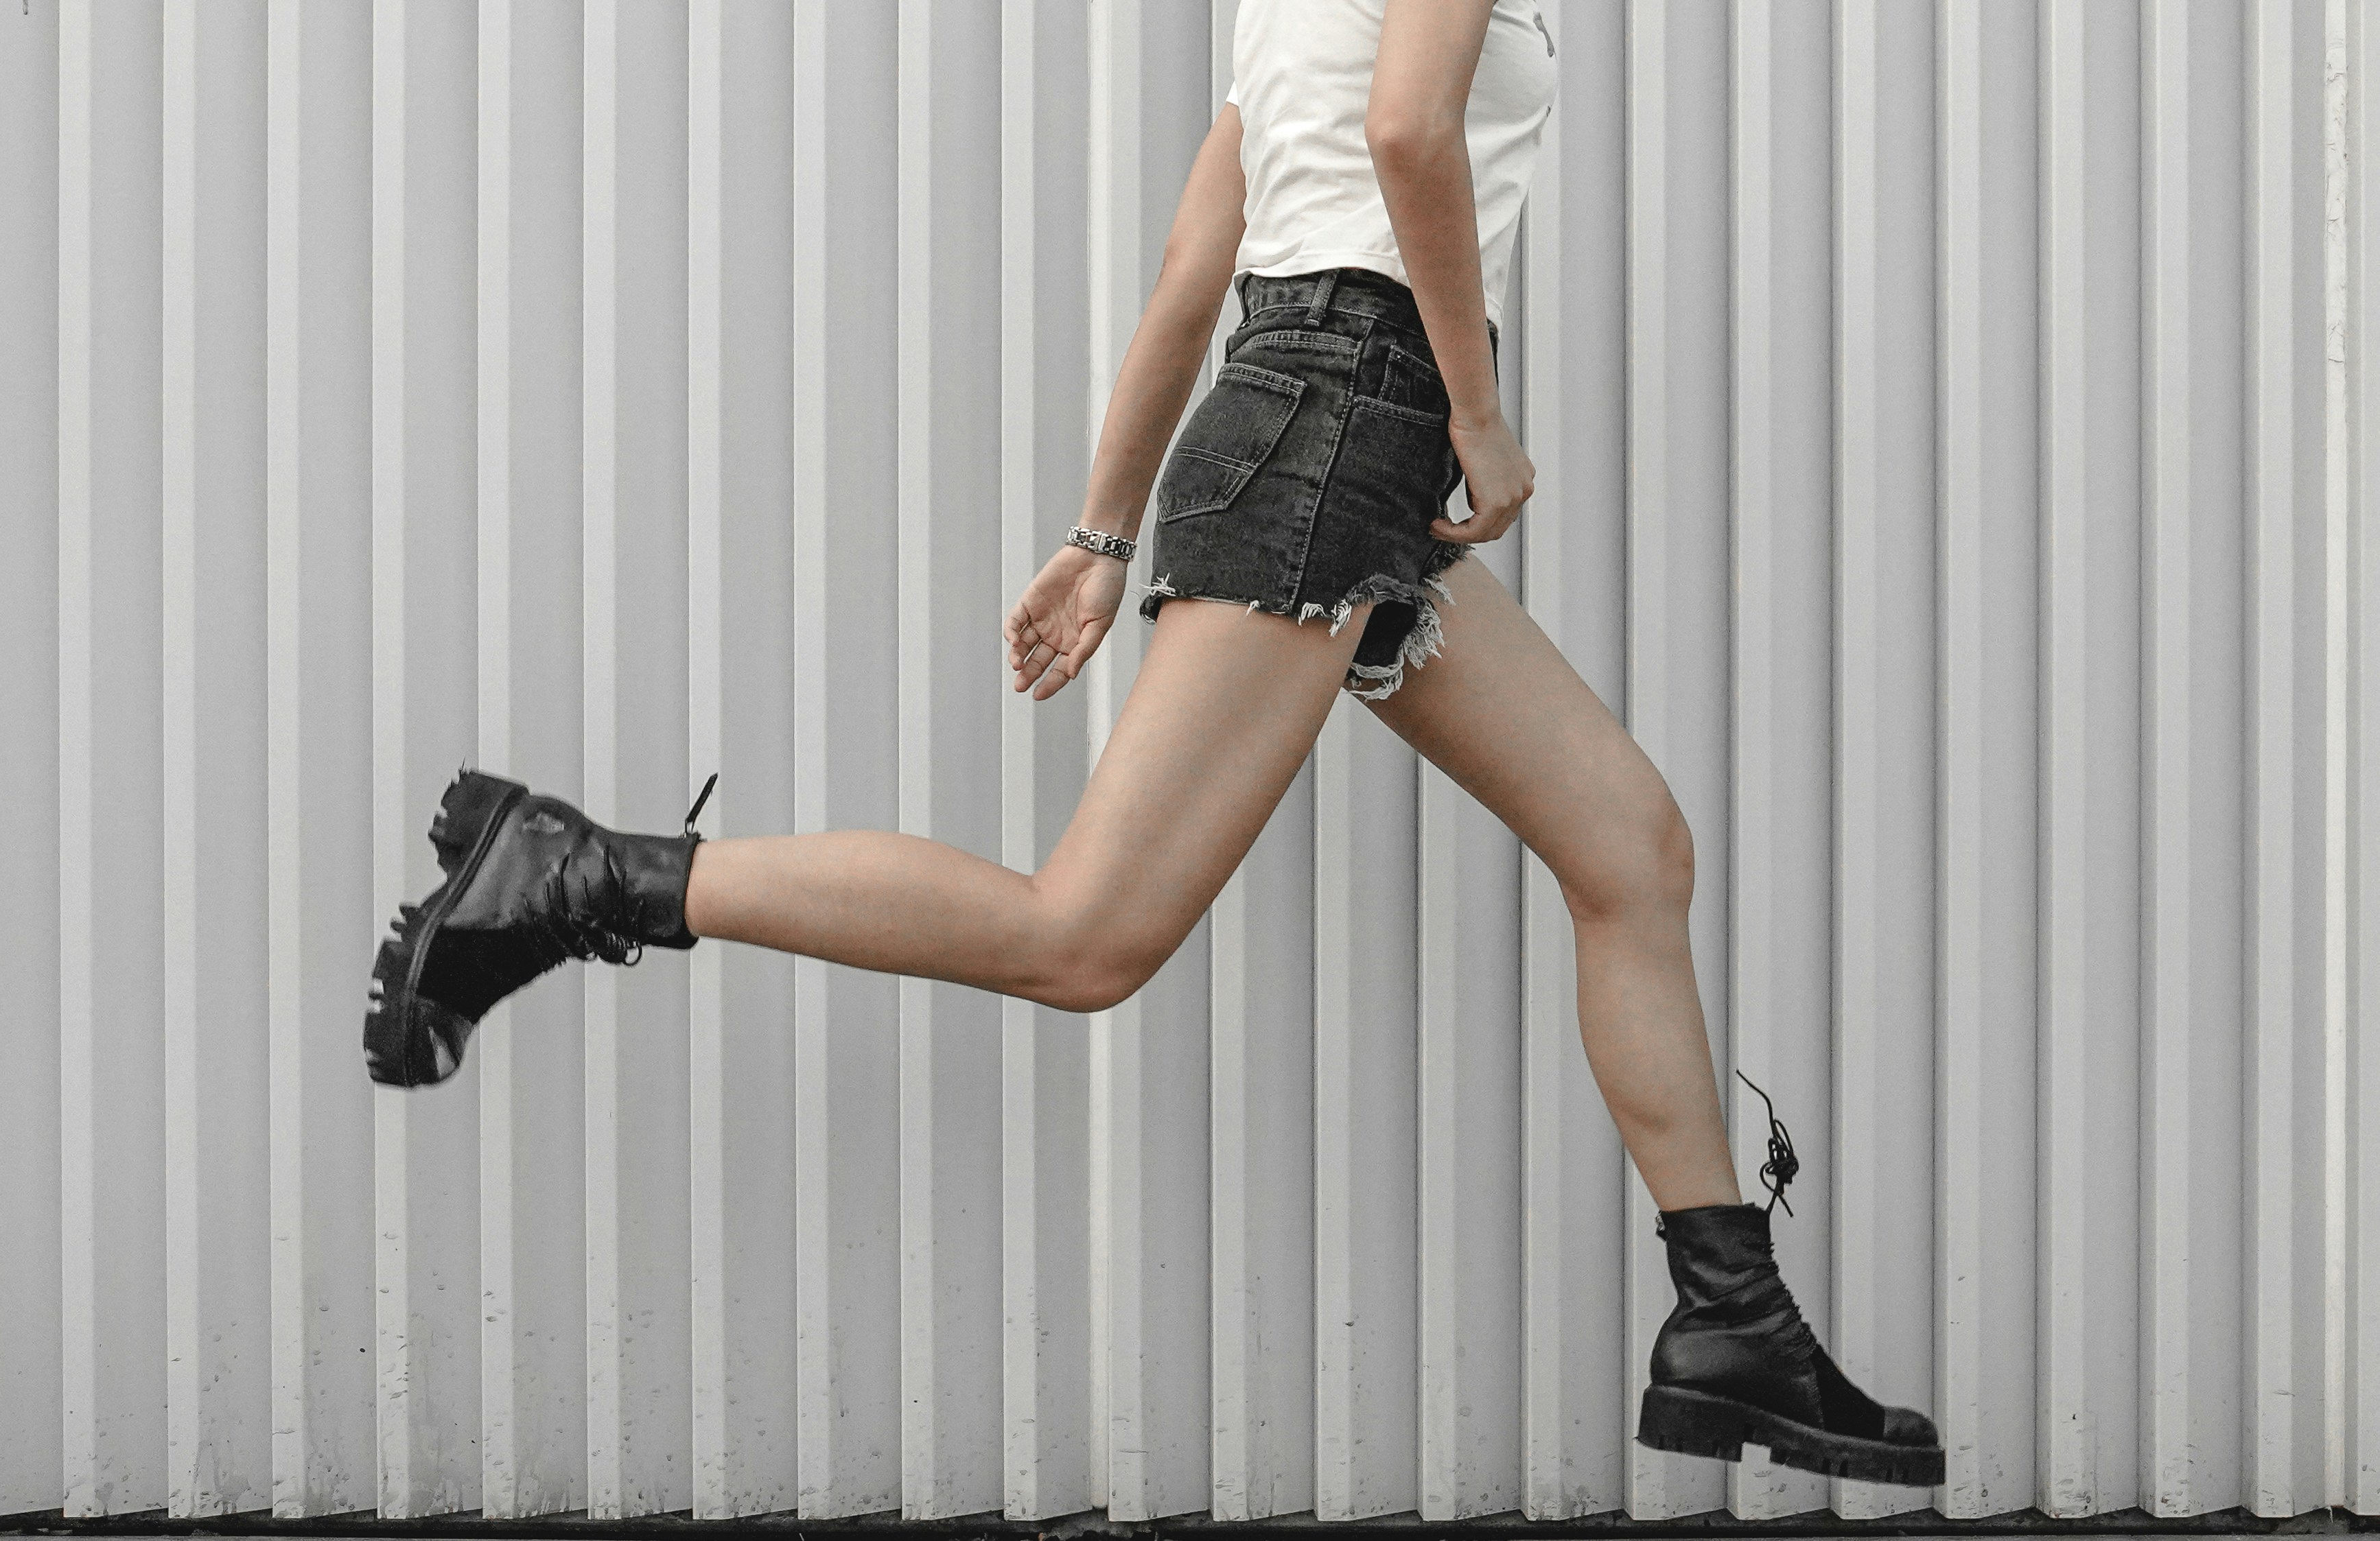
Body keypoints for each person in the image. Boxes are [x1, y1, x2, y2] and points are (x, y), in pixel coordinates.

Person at [360, 0, 1941, 1492]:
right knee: (1084, 933)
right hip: (1351, 414)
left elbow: (1206, 257)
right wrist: (1478, 412)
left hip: (1319, 421)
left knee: (1627, 844)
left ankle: (1732, 1317)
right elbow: (1407, 133)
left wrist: (1103, 528)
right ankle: (576, 875)